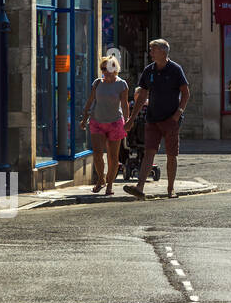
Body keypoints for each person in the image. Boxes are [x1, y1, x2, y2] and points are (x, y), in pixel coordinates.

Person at [125, 39, 190, 199]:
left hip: (170, 120)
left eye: (153, 50)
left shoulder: (175, 69)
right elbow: (142, 97)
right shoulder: (149, 70)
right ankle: (139, 187)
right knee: (149, 152)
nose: (151, 53)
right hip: (152, 119)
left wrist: (177, 115)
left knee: (171, 155)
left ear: (163, 52)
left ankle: (170, 189)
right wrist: (131, 119)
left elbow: (186, 93)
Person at [79, 55, 130, 196]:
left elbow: (125, 105)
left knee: (113, 157)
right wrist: (84, 118)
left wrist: (127, 121)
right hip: (97, 122)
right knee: (97, 154)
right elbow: (90, 101)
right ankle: (101, 179)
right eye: (102, 68)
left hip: (115, 123)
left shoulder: (121, 84)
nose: (105, 72)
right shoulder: (97, 83)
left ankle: (110, 184)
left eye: (107, 68)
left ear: (115, 69)